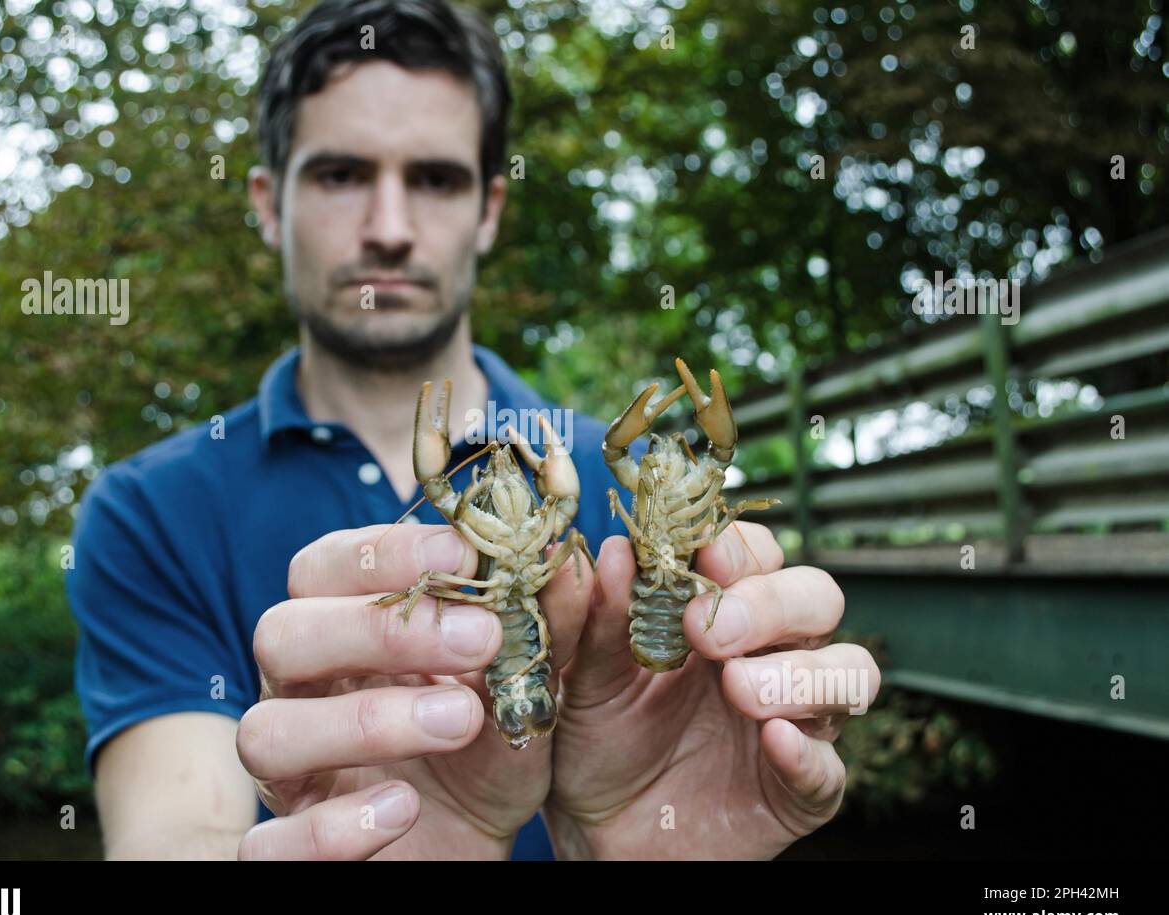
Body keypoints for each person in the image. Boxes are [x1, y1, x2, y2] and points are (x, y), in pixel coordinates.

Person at [68, 0, 878, 860]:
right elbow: (173, 834)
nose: (389, 228)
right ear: (269, 203)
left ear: (490, 207)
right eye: (340, 174)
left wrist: (631, 843)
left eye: (435, 178)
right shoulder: (144, 513)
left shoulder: (618, 477)